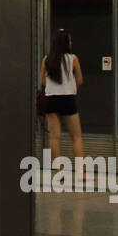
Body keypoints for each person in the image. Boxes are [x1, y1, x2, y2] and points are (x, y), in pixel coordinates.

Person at [40, 28, 84, 164]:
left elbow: (42, 81)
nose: (71, 42)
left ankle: (59, 171)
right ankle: (81, 171)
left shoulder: (46, 60)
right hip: (68, 99)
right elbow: (80, 80)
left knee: (54, 137)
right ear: (66, 43)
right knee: (76, 137)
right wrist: (71, 86)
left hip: (51, 100)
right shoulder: (73, 59)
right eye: (69, 40)